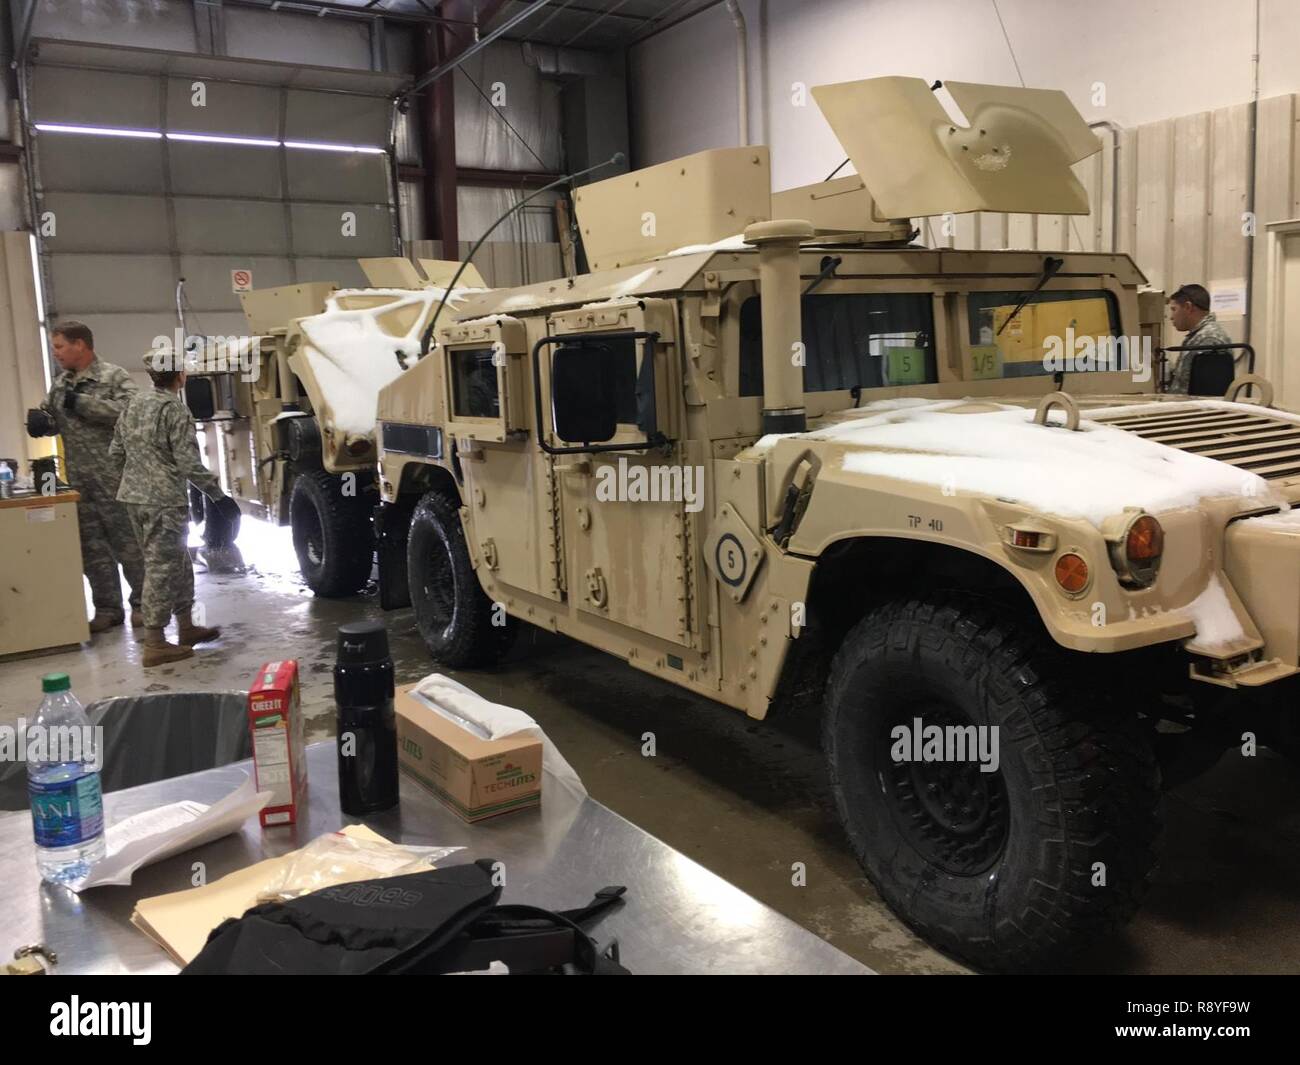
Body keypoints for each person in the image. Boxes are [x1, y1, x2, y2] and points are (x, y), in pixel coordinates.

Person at [110, 353, 239, 667]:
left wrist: (135, 481)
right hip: (164, 502)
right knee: (161, 568)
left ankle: (186, 627)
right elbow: (187, 462)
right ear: (179, 375)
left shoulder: (133, 405)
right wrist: (218, 496)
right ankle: (154, 643)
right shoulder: (175, 410)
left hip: (134, 499)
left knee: (178, 561)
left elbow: (115, 453)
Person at [25, 321, 146, 636]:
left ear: (80, 344)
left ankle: (144, 605)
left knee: (128, 543)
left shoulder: (113, 376)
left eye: (59, 347)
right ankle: (107, 609)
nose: (56, 354)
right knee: (92, 548)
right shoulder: (61, 384)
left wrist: (84, 404)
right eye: (54, 348)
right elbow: (54, 417)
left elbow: (132, 413)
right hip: (79, 481)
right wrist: (42, 422)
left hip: (115, 478)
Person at [1166, 283, 1233, 395]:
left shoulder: (1209, 339)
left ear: (1188, 307)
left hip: (1194, 410)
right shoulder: (1198, 337)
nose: (1171, 317)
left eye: (1174, 309)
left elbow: (1207, 394)